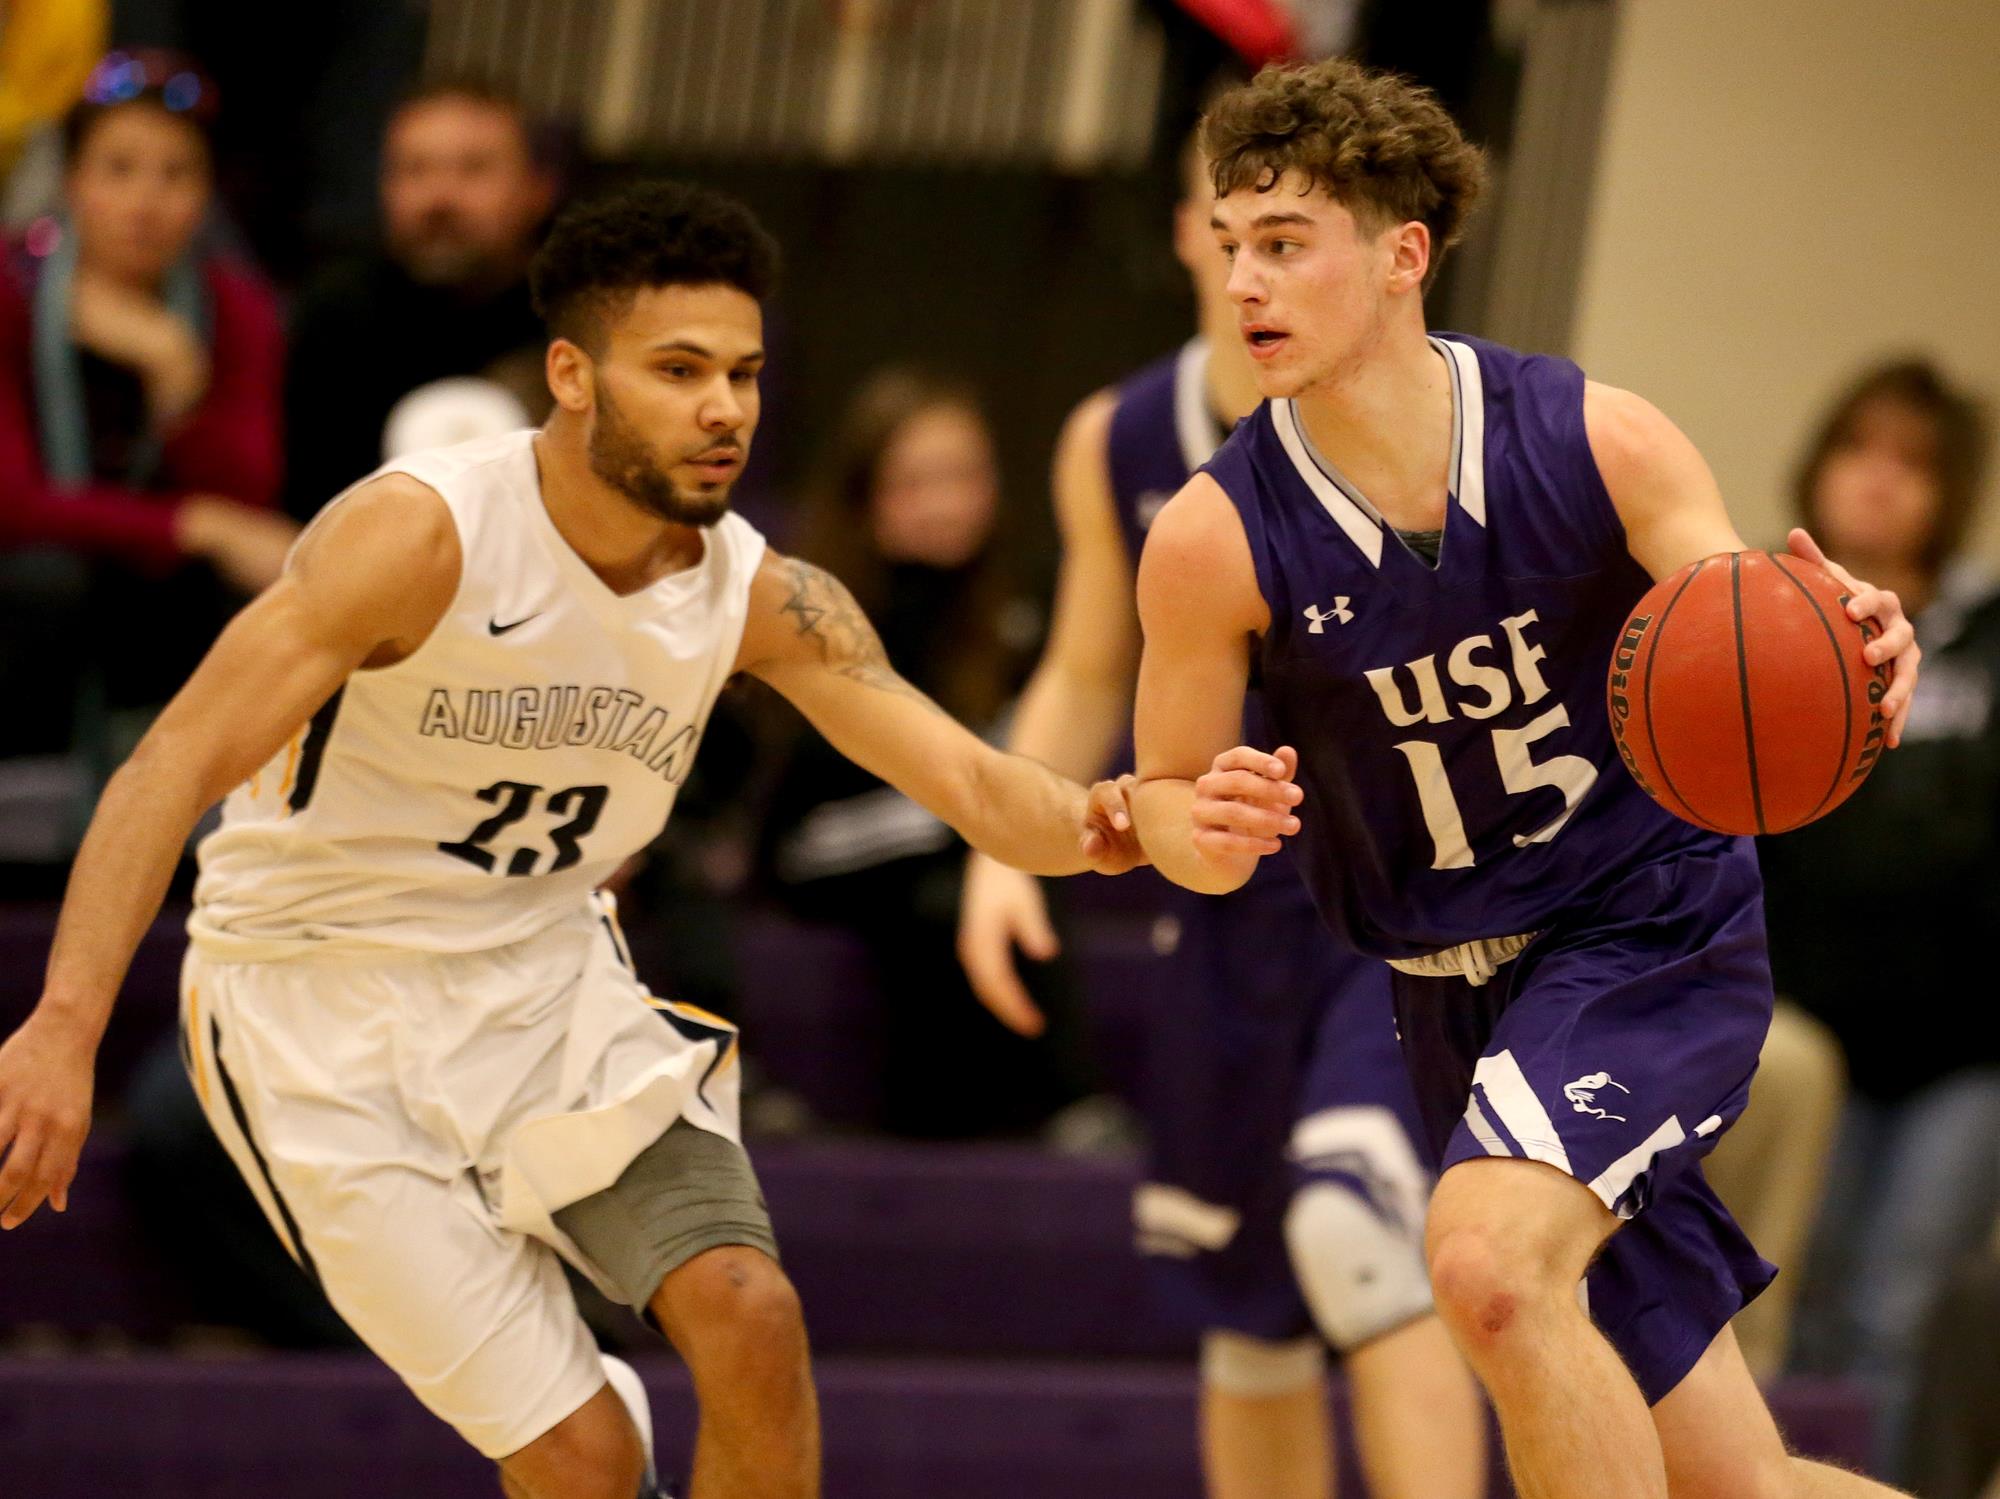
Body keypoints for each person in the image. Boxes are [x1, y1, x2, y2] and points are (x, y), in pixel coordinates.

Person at [0, 180, 1142, 1499]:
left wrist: (1139, 818)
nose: (724, 406)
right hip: (311, 1003)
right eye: (679, 369)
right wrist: (64, 1024)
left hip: (545, 977)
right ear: (574, 374)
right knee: (587, 1456)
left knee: (751, 1310)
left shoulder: (762, 592)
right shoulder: (417, 535)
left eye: (744, 372)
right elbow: (165, 768)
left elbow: (990, 790)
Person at [1125, 59, 1922, 1499]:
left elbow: (1764, 639)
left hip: (1645, 928)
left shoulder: (1596, 438)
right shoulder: (1210, 537)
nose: (1248, 279)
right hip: (1451, 993)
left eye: (1287, 242)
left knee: (1485, 1268)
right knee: (1736, 1480)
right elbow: (1167, 801)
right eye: (1234, 243)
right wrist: (1202, 823)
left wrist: (1864, 649)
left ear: (1402, 255)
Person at [956, 129, 1484, 1499]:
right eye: (1229, 221)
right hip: (1226, 916)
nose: (1251, 251)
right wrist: (1006, 848)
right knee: (1247, 1316)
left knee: (1362, 1231)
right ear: (1191, 229)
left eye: (1288, 228)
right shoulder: (1118, 436)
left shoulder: (1417, 412)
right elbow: (1082, 667)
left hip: (1395, 900)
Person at [1758, 359, 1998, 1478]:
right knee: (1794, 1299)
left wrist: (1880, 804)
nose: (1879, 482)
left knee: (1894, 1312)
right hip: (1805, 1029)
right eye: (1860, 449)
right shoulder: (1763, 612)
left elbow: (1956, 831)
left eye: (1912, 463)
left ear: (1946, 491)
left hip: (1962, 1049)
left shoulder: (1986, 636)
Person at [759, 366, 1096, 1139]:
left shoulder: (1018, 607)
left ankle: (1064, 1110)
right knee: (960, 877)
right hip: (825, 853)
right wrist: (973, 810)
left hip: (955, 846)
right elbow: (789, 823)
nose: (946, 501)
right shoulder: (826, 615)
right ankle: (987, 1117)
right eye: (918, 481)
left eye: (963, 475)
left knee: (997, 874)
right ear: (868, 496)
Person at [0, 48, 292, 751]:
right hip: (34, 583)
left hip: (154, 595)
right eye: (120, 168)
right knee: (51, 581)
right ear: (71, 182)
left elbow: (248, 493)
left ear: (207, 192)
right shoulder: (10, 290)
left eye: (176, 173)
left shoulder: (237, 306)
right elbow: (12, 506)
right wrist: (196, 524)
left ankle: (192, 808)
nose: (146, 201)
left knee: (255, 595)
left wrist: (176, 379)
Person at [281, 76, 556, 522]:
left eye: (473, 169)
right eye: (415, 170)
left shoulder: (584, 321)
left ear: (538, 189)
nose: (440, 198)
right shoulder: (332, 316)